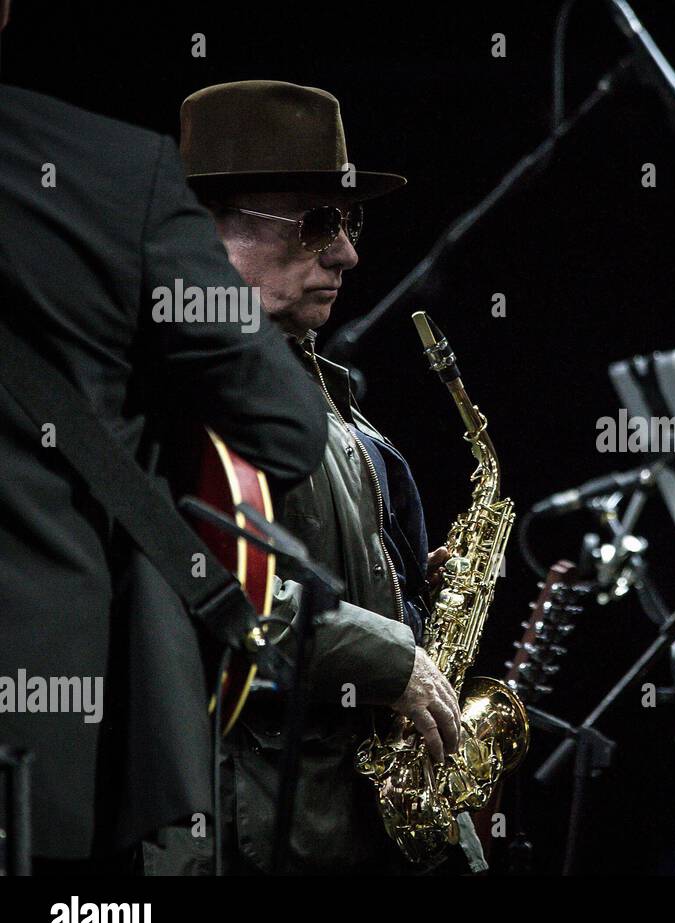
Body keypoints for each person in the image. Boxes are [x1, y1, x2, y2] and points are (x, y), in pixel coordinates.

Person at [0, 2, 328, 870]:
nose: (342, 256)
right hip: (39, 752)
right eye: (315, 223)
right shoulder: (110, 173)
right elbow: (287, 430)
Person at [142, 80, 467, 874]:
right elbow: (196, 588)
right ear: (206, 231)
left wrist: (399, 583)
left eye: (349, 221)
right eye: (317, 223)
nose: (348, 252)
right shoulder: (168, 382)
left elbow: (292, 561)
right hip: (248, 831)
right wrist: (390, 658)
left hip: (333, 818)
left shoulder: (314, 384)